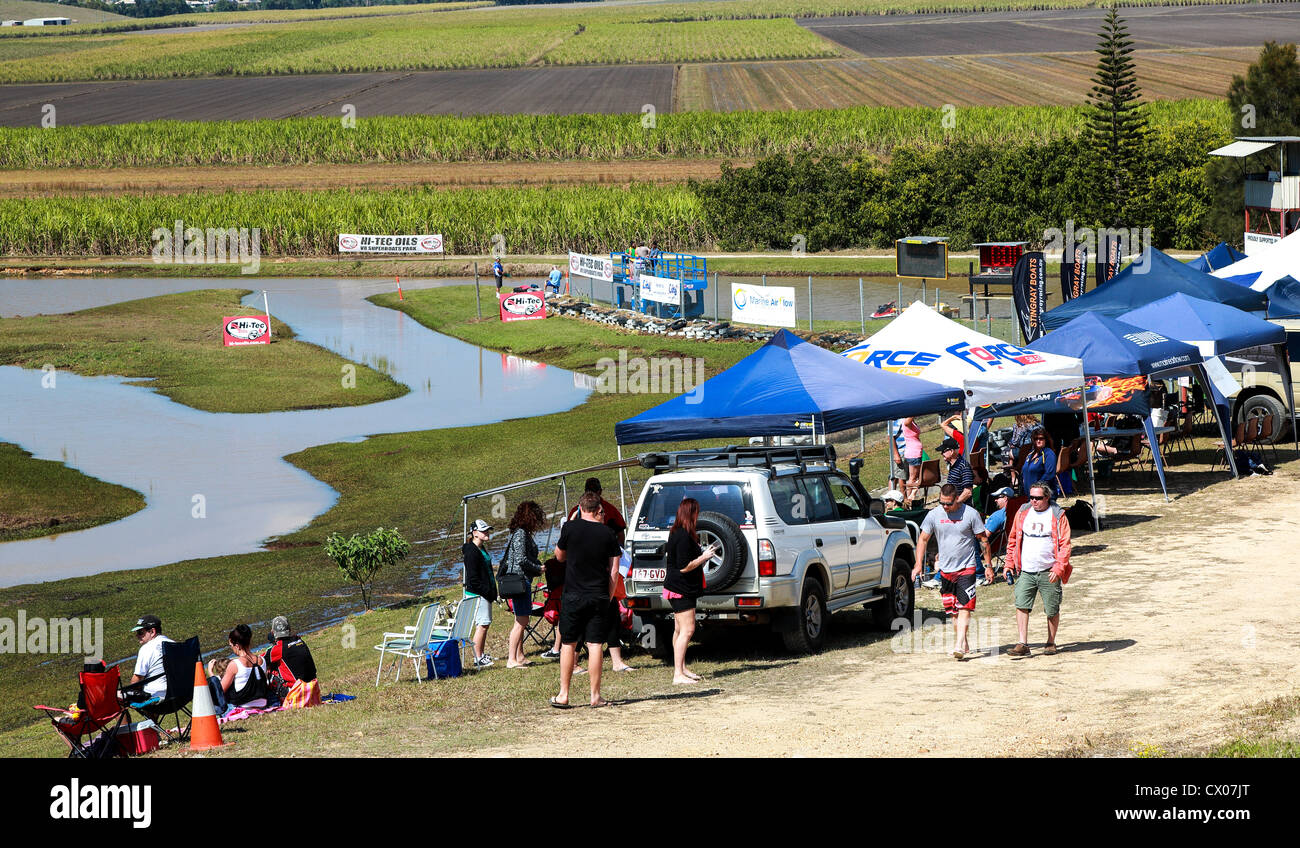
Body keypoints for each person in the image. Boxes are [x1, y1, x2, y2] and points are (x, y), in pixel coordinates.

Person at [550, 492, 621, 709]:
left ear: (580, 509)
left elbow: (559, 556)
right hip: (598, 594)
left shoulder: (570, 529)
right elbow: (614, 570)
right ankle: (595, 695)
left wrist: (570, 524)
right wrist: (608, 597)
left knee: (568, 644)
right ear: (598, 509)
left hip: (573, 594)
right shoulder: (608, 533)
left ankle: (563, 694)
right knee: (595, 644)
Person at [913, 484, 993, 660]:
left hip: (967, 568)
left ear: (957, 498)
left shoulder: (970, 514)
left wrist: (988, 566)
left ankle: (958, 645)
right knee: (953, 611)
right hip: (946, 570)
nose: (945, 507)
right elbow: (923, 539)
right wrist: (918, 564)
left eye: (948, 503)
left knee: (965, 606)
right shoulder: (934, 514)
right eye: (942, 503)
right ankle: (963, 643)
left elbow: (983, 540)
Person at [565, 478, 632, 672]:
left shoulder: (608, 511)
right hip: (581, 579)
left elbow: (620, 534)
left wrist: (614, 550)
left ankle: (617, 661)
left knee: (610, 617)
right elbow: (561, 552)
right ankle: (576, 662)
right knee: (579, 625)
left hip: (599, 576)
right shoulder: (575, 514)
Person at [1004, 482, 1073, 657]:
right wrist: (1009, 564)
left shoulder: (1057, 515)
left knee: (1052, 608)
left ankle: (1050, 642)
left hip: (1049, 570)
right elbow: (1013, 540)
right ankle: (1022, 643)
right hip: (1026, 570)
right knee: (1021, 605)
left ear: (1047, 497)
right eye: (1031, 497)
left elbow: (1065, 545)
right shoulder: (1023, 513)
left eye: (1038, 498)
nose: (1034, 501)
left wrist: (1059, 568)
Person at [663, 498, 719, 685]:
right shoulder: (683, 536)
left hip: (677, 587)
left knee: (679, 629)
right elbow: (684, 567)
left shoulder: (678, 532)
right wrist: (704, 557)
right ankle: (678, 674)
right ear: (691, 513)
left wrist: (702, 553)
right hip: (681, 587)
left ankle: (682, 668)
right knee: (688, 630)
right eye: (697, 512)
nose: (698, 515)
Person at [499, 501, 546, 669]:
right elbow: (520, 560)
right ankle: (511, 659)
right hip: (519, 581)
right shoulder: (520, 534)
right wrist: (538, 568)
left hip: (522, 580)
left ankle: (520, 655)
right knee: (521, 620)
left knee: (521, 619)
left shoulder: (521, 533)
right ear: (529, 517)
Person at [461, 518, 498, 668]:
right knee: (482, 624)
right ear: (475, 533)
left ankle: (481, 654)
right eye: (483, 531)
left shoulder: (481, 548)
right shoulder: (471, 551)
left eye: (487, 530)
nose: (487, 533)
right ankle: (478, 657)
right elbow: (473, 579)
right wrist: (488, 592)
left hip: (484, 593)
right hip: (478, 594)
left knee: (485, 624)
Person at [220, 624, 273, 709]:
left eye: (231, 646)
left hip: (243, 705)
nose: (232, 649)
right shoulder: (262, 660)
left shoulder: (235, 664)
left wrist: (212, 674)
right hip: (263, 704)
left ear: (237, 646)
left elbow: (220, 690)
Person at [122, 614, 172, 702]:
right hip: (180, 696)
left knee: (118, 695)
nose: (137, 636)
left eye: (140, 632)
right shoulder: (174, 644)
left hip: (156, 697)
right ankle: (152, 715)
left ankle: (151, 715)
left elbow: (136, 680)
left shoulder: (146, 648)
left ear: (152, 632)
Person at [565, 477, 626, 545]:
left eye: (593, 491)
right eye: (589, 491)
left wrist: (619, 550)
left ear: (600, 492)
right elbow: (567, 535)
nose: (592, 496)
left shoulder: (610, 510)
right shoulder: (575, 511)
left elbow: (620, 533)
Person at [263, 615, 317, 686]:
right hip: (313, 686)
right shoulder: (299, 641)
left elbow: (260, 661)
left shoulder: (278, 648)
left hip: (297, 691)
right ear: (289, 629)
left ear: (273, 632)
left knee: (270, 670)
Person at [1017, 428, 1057, 497]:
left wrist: (1037, 488)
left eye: (1041, 438)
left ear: (1046, 440)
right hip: (1029, 496)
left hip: (1043, 497)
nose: (1038, 441)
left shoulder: (1049, 454)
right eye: (1035, 439)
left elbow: (1049, 475)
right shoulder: (1030, 454)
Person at [938, 436, 973, 506]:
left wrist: (955, 504)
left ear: (951, 451)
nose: (941, 454)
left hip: (961, 506)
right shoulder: (953, 465)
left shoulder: (963, 466)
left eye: (943, 451)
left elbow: (968, 492)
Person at [899, 416, 923, 505]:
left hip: (916, 452)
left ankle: (910, 497)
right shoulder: (906, 422)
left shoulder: (912, 422)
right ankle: (910, 498)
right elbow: (906, 422)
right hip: (913, 453)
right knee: (913, 478)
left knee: (915, 477)